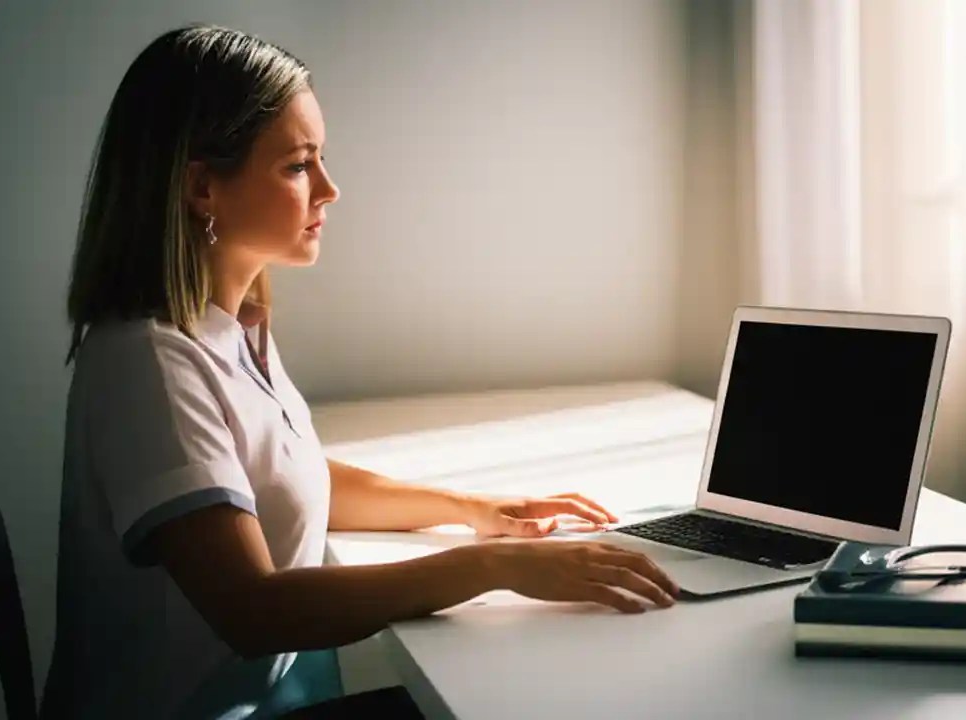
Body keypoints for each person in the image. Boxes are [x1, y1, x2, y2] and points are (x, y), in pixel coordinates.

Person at [41, 24, 679, 719]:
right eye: (297, 165)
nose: (330, 189)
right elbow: (253, 612)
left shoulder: (232, 325)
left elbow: (283, 477)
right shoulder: (150, 361)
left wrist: (471, 512)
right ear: (202, 187)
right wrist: (496, 568)